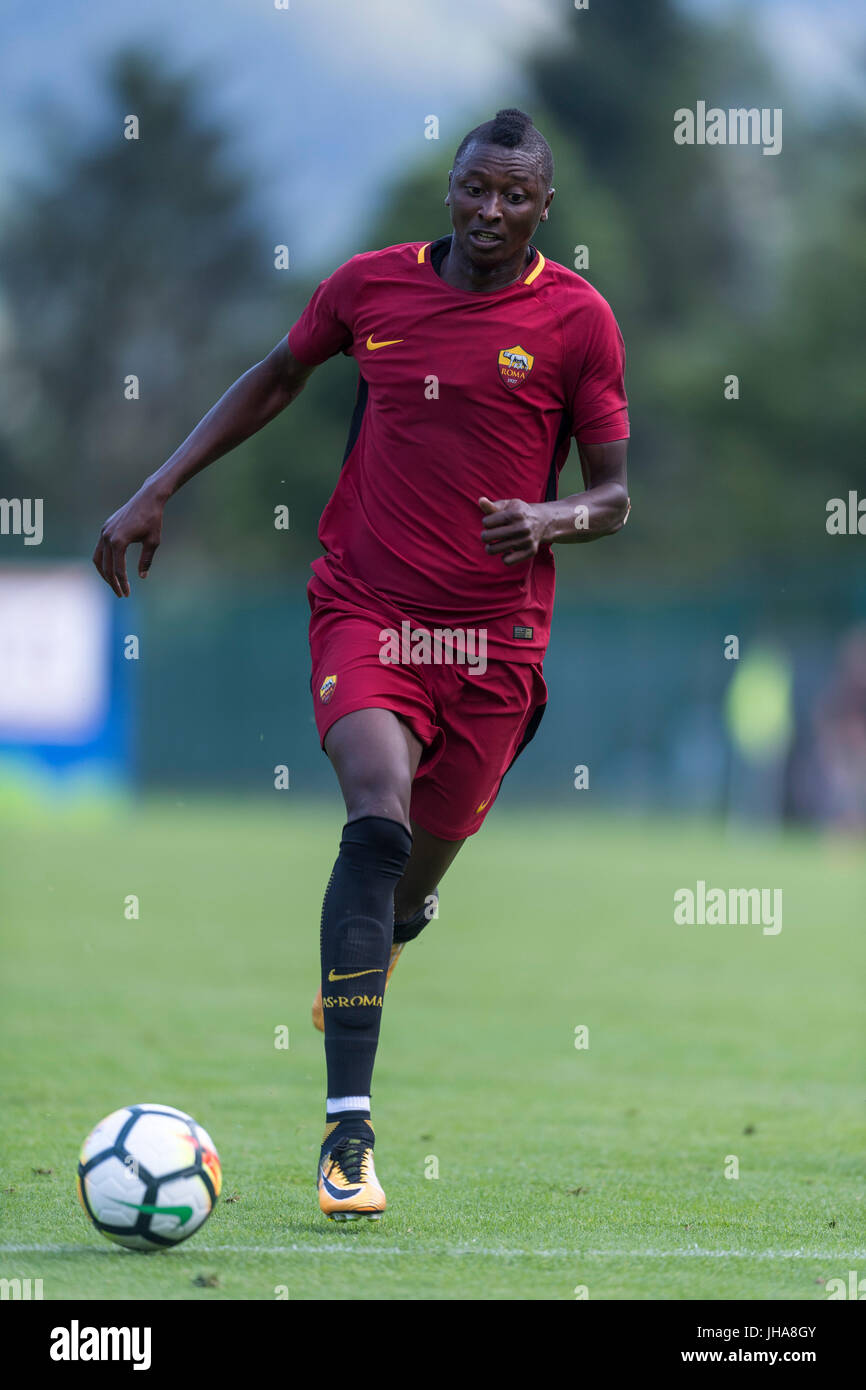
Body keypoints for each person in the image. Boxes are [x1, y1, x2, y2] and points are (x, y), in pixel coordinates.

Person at [93, 108, 631, 1222]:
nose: (489, 211)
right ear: (451, 185)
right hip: (368, 609)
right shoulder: (368, 288)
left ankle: (370, 946)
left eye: (513, 196)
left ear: (542, 208)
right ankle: (348, 1133)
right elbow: (276, 375)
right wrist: (159, 485)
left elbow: (613, 495)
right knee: (374, 824)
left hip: (492, 647)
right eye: (473, 188)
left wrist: (546, 517)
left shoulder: (577, 321)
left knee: (400, 899)